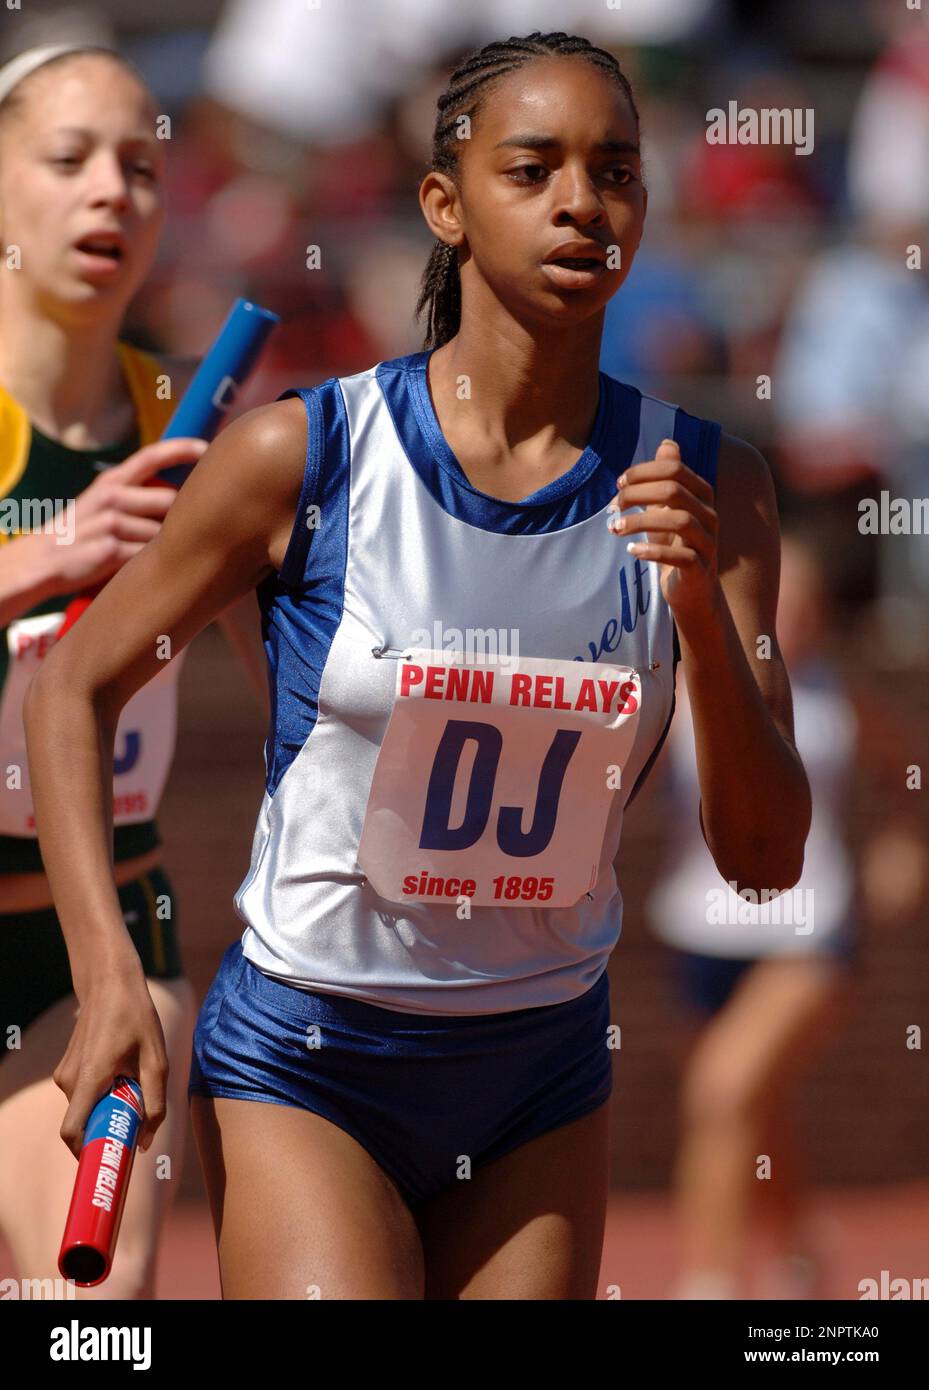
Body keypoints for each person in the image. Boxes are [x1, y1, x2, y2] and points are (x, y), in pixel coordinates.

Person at [23, 30, 811, 1301]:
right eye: (531, 169)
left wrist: (697, 617)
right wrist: (108, 973)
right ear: (444, 205)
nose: (579, 202)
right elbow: (74, 685)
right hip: (310, 1056)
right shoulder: (307, 456)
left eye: (613, 171)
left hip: (540, 1071)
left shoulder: (717, 491)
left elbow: (763, 860)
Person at [0, 42, 266, 1298]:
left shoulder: (188, 418)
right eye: (69, 159)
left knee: (93, 1312)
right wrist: (47, 553)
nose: (112, 188)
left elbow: (296, 667)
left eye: (142, 167)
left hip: (100, 937)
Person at [646, 529, 859, 1299]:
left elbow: (909, 767)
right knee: (752, 1113)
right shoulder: (688, 686)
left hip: (809, 931)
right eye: (777, 603)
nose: (789, 618)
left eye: (804, 605)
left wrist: (905, 847)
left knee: (723, 1090)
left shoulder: (840, 694)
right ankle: (801, 1247)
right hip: (698, 930)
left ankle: (707, 1282)